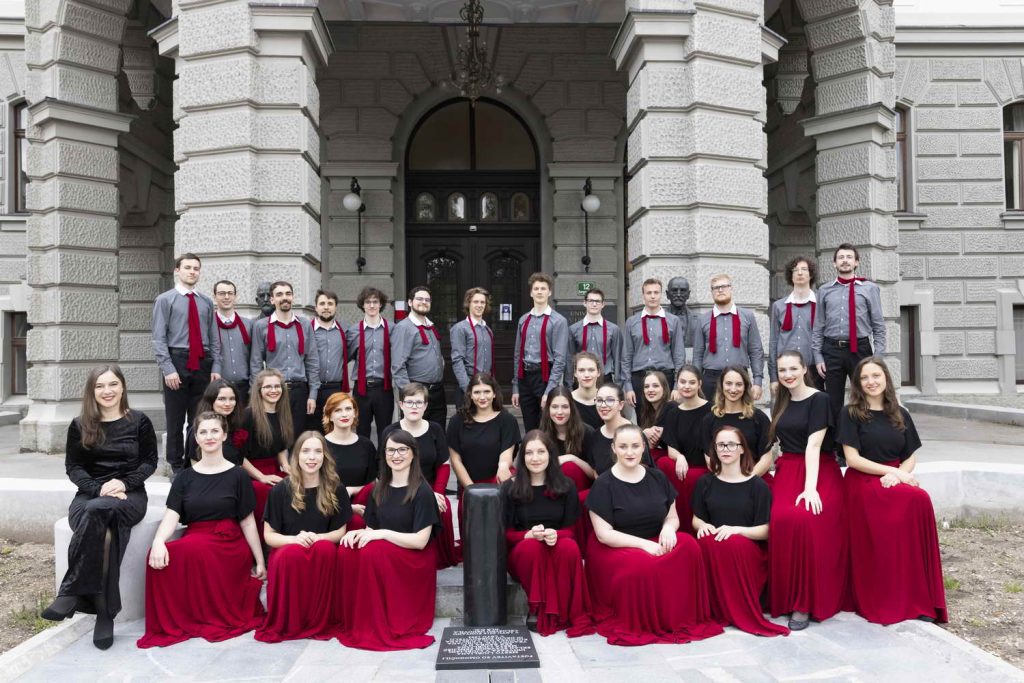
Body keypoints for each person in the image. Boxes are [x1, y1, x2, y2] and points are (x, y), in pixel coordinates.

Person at [43, 365, 157, 650]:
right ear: (92, 391)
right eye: (100, 386)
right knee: (105, 529)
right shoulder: (80, 424)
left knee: (98, 512)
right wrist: (99, 489)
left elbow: (149, 463)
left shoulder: (139, 421)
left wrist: (124, 483)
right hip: (89, 496)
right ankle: (105, 613)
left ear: (122, 387)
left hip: (130, 495)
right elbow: (74, 467)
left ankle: (70, 593)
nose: (107, 391)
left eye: (113, 384)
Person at [586, 424, 722, 646]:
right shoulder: (603, 484)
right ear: (614, 448)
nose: (629, 452)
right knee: (644, 565)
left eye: (635, 446)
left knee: (689, 546)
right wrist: (644, 545)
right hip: (616, 546)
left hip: (655, 538)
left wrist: (668, 529)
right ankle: (650, 621)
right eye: (623, 446)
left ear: (643, 448)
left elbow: (672, 517)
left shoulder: (657, 477)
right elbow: (603, 534)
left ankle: (677, 616)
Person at [138, 412, 265, 648]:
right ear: (196, 438)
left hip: (229, 544)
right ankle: (179, 618)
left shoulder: (238, 475)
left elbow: (248, 522)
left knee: (195, 549)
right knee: (156, 557)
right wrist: (158, 542)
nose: (209, 436)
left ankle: (203, 615)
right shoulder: (184, 478)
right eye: (203, 432)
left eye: (215, 431)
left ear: (224, 435)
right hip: (197, 538)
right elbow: (172, 516)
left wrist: (259, 561)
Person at [837, 357, 947, 625]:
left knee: (919, 500)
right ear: (858, 384)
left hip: (892, 479)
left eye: (876, 376)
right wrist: (895, 473)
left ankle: (919, 595)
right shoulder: (850, 413)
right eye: (865, 378)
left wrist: (899, 475)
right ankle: (886, 596)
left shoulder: (900, 413)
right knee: (907, 505)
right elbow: (852, 459)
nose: (871, 382)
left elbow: (909, 456)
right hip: (862, 481)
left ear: (886, 378)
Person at [335, 430, 440, 650]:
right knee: (347, 549)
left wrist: (382, 534)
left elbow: (420, 541)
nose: (396, 455)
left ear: (413, 454)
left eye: (402, 449)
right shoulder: (379, 489)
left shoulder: (422, 491)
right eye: (390, 450)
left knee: (374, 550)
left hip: (414, 557)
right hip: (386, 550)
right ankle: (359, 618)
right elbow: (372, 528)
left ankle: (382, 619)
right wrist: (357, 534)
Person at [766, 350, 846, 631]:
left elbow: (814, 446)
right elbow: (775, 444)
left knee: (805, 519)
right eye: (782, 370)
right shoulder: (781, 401)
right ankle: (784, 596)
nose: (787, 375)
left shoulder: (820, 400)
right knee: (780, 519)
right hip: (788, 469)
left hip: (819, 470)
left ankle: (805, 601)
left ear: (804, 370)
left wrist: (810, 489)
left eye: (792, 369)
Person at [692, 425, 788, 637]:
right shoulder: (705, 482)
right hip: (715, 546)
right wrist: (703, 525)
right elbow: (697, 519)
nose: (725, 449)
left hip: (747, 550)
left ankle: (736, 609)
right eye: (720, 445)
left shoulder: (758, 486)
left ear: (742, 449)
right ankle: (714, 608)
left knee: (730, 544)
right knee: (704, 543)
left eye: (731, 445)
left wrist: (736, 531)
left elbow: (766, 531)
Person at [255, 431, 351, 643]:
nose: (312, 457)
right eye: (306, 451)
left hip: (321, 547)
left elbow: (340, 532)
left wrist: (317, 538)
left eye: (318, 451)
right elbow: (269, 536)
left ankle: (322, 619)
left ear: (325, 456)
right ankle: (292, 620)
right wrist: (294, 540)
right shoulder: (281, 490)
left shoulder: (336, 489)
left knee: (324, 550)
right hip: (287, 548)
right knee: (292, 554)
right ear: (296, 455)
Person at [501, 431, 594, 637]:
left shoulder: (566, 485)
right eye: (529, 453)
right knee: (532, 547)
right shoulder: (510, 487)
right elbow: (506, 535)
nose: (535, 458)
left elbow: (571, 531)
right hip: (524, 553)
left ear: (550, 454)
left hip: (555, 545)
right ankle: (536, 607)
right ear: (522, 457)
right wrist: (527, 535)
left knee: (569, 547)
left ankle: (567, 609)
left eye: (541, 452)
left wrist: (556, 534)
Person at [152, 253, 221, 475]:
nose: (192, 272)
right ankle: (175, 465)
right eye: (188, 267)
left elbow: (214, 338)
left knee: (198, 417)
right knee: (175, 418)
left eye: (196, 268)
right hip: (177, 361)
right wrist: (168, 369)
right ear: (177, 271)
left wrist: (215, 367)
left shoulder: (206, 302)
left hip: (202, 362)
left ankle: (194, 461)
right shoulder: (165, 300)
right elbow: (159, 338)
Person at [381, 382, 458, 569]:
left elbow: (444, 465)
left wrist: (437, 493)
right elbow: (384, 468)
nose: (414, 407)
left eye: (418, 402)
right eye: (409, 402)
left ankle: (439, 557)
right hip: (400, 488)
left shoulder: (435, 429)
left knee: (444, 507)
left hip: (431, 488)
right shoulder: (390, 432)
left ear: (425, 406)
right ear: (401, 405)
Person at [812, 243, 886, 423]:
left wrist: (877, 358)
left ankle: (864, 434)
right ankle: (837, 439)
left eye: (849, 257)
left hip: (860, 349)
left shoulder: (869, 288)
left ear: (856, 262)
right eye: (841, 258)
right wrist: (818, 356)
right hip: (832, 350)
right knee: (833, 401)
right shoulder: (824, 290)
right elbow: (818, 325)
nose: (845, 261)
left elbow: (878, 325)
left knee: (865, 396)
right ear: (834, 263)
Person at [448, 373, 521, 537]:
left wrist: (503, 466)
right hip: (469, 483)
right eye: (477, 392)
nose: (482, 397)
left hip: (498, 481)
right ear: (470, 394)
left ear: (494, 393)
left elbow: (507, 454)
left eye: (487, 391)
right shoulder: (457, 421)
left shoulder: (507, 420)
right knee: (474, 534)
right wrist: (471, 490)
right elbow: (455, 460)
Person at [249, 281, 320, 441]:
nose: (284, 298)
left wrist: (313, 394)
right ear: (272, 299)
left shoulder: (304, 324)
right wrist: (257, 395)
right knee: (276, 437)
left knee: (298, 438)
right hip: (274, 390)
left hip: (299, 390)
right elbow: (256, 363)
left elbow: (312, 361)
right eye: (279, 294)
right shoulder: (261, 326)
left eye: (288, 294)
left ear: (293, 297)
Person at [238, 369, 294, 541]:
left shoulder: (283, 414)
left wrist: (288, 467)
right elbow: (238, 456)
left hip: (274, 469)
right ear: (259, 390)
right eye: (268, 387)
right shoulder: (248, 415)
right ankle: (267, 543)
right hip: (251, 473)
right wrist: (261, 477)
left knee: (297, 487)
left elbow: (280, 448)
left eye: (277, 386)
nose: (273, 390)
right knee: (267, 492)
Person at [692, 273, 765, 401]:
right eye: (716, 287)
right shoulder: (702, 320)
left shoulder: (747, 317)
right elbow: (698, 354)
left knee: (740, 413)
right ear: (712, 292)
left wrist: (757, 381)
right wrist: (696, 381)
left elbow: (755, 350)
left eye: (724, 286)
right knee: (710, 413)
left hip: (740, 378)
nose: (720, 290)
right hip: (711, 379)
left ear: (731, 288)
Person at [512, 272, 569, 431]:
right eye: (536, 288)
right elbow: (517, 355)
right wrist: (516, 387)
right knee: (529, 426)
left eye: (543, 288)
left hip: (545, 376)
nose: (539, 292)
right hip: (525, 377)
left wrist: (549, 390)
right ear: (531, 292)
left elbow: (560, 359)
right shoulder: (523, 320)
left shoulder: (558, 321)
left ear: (549, 292)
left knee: (547, 427)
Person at [659, 365, 712, 531]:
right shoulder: (673, 413)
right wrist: (680, 457)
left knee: (693, 479)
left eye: (692, 382)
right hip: (683, 470)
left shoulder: (712, 410)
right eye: (682, 382)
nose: (686, 386)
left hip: (706, 469)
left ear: (699, 384)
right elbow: (671, 448)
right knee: (664, 463)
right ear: (677, 383)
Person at [700, 367, 773, 484]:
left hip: (754, 480)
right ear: (721, 386)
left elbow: (767, 458)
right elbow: (709, 458)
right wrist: (728, 480)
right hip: (721, 481)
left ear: (745, 387)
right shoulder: (709, 420)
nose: (733, 389)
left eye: (739, 384)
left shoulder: (759, 418)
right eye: (728, 383)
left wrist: (747, 479)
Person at [621, 278, 686, 407]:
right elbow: (626, 356)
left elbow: (679, 355)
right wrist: (628, 386)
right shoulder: (632, 322)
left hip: (665, 378)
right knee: (642, 417)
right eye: (649, 292)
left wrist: (676, 385)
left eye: (656, 292)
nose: (652, 296)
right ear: (643, 295)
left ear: (661, 294)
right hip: (639, 379)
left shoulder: (673, 321)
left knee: (666, 416)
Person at [391, 285, 446, 426]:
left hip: (437, 391)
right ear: (410, 302)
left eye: (427, 300)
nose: (424, 302)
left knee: (437, 432)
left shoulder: (430, 326)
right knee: (414, 434)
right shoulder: (403, 328)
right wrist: (410, 396)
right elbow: (398, 366)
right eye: (420, 299)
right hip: (416, 392)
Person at [346, 286, 394, 444]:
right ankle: (364, 460)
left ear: (381, 304)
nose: (372, 305)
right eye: (368, 302)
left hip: (384, 388)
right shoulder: (353, 331)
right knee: (361, 432)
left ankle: (383, 460)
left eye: (375, 301)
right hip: (362, 389)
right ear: (362, 305)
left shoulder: (392, 329)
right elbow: (346, 356)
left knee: (386, 432)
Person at [322, 392, 377, 527]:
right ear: (329, 416)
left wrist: (353, 489)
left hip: (362, 508)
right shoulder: (320, 445)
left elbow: (374, 484)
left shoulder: (366, 445)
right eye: (338, 410)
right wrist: (347, 507)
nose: (344, 414)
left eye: (348, 409)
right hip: (327, 509)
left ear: (355, 413)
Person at [768, 256, 820, 393]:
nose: (800, 273)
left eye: (804, 269)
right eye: (795, 270)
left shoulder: (821, 304)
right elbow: (774, 342)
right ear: (790, 276)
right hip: (787, 371)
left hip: (814, 368)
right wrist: (773, 376)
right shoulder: (779, 306)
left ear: (811, 274)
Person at [583, 383, 653, 477]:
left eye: (610, 400)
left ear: (621, 405)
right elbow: (595, 471)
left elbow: (644, 471)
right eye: (599, 400)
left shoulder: (635, 434)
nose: (603, 405)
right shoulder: (595, 436)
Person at [539, 386, 596, 492]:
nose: (559, 412)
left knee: (569, 467)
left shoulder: (587, 432)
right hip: (554, 487)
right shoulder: (542, 433)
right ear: (548, 408)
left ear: (571, 408)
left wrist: (572, 458)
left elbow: (595, 473)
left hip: (581, 489)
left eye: (565, 407)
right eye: (554, 407)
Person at [310, 288, 350, 432]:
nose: (326, 307)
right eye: (322, 304)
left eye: (330, 304)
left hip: (335, 389)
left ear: (335, 307)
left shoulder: (344, 330)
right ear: (316, 307)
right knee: (313, 431)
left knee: (335, 431)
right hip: (311, 389)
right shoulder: (306, 329)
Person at [451, 287, 495, 409]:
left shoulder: (488, 330)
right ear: (468, 303)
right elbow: (457, 360)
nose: (479, 305)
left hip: (485, 385)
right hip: (469, 384)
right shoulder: (460, 328)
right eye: (476, 302)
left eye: (482, 302)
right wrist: (467, 389)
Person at [184, 379, 244, 466]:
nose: (228, 404)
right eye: (221, 399)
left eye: (232, 399)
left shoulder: (235, 426)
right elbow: (195, 464)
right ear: (210, 400)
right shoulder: (199, 429)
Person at [567, 288, 621, 386]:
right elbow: (570, 358)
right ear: (584, 303)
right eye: (591, 301)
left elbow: (617, 358)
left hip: (605, 379)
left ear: (603, 304)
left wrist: (618, 383)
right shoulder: (573, 329)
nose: (594, 304)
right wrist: (569, 384)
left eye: (598, 301)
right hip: (581, 379)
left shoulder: (614, 329)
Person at [212, 279, 253, 406]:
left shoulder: (249, 325)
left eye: (230, 293)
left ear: (235, 296)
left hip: (244, 388)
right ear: (214, 297)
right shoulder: (208, 324)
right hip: (217, 388)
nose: (226, 297)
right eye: (222, 293)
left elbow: (254, 357)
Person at [637, 370, 674, 461]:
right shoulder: (647, 412)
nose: (650, 390)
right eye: (646, 386)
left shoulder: (671, 407)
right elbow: (651, 445)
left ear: (664, 389)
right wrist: (644, 432)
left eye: (655, 386)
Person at [570, 351, 603, 430]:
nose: (586, 375)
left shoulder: (607, 400)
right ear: (575, 373)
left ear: (598, 372)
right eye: (581, 370)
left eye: (591, 370)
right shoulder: (567, 400)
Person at [666, 276, 699, 348]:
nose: (678, 294)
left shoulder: (700, 319)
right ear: (667, 294)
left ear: (688, 294)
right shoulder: (659, 318)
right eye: (674, 290)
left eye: (683, 290)